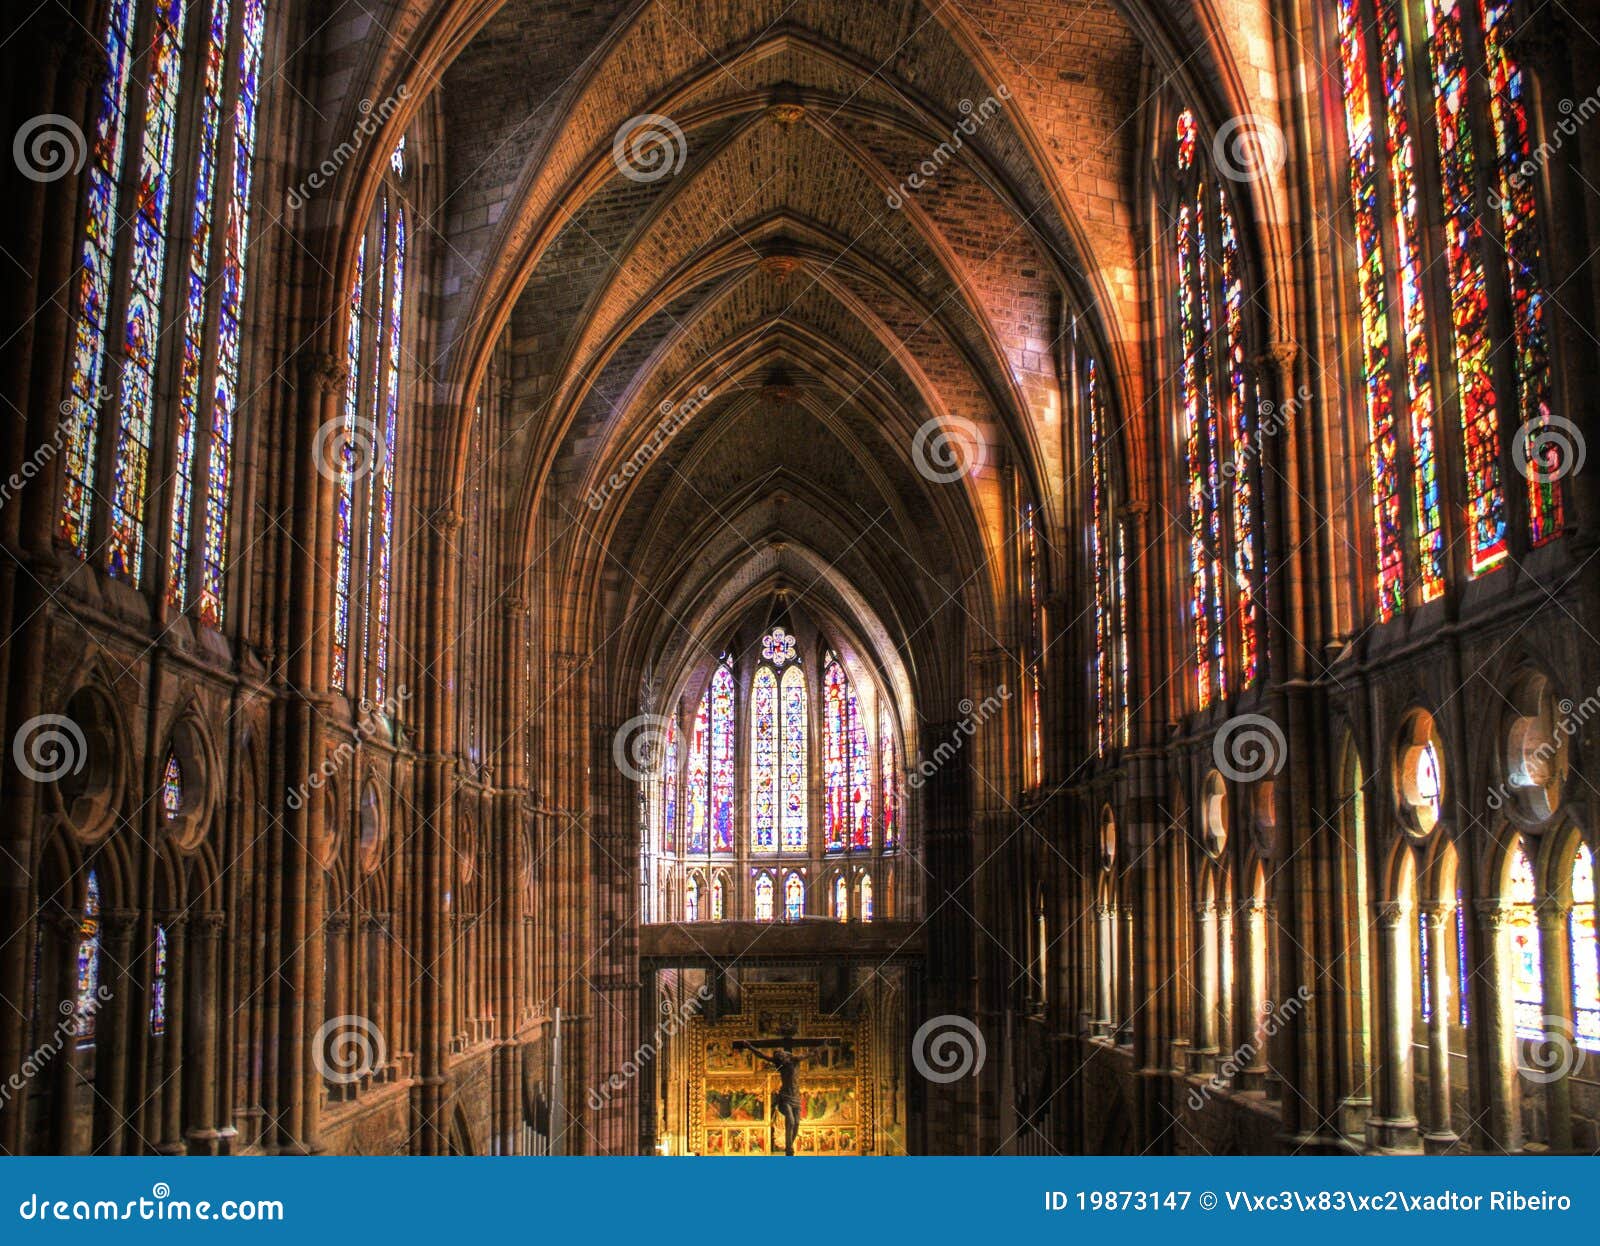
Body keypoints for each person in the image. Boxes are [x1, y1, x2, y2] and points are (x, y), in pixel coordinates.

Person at [738, 1041, 801, 1155]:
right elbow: (761, 1055)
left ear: (785, 1055)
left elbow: (808, 1055)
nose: (781, 1057)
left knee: (796, 1123)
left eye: (781, 1055)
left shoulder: (794, 1061)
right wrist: (750, 1047)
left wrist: (821, 1047)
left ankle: (790, 1144)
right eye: (778, 1057)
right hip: (785, 1098)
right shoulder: (781, 1065)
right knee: (790, 1120)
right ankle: (788, 1148)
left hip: (795, 1097)